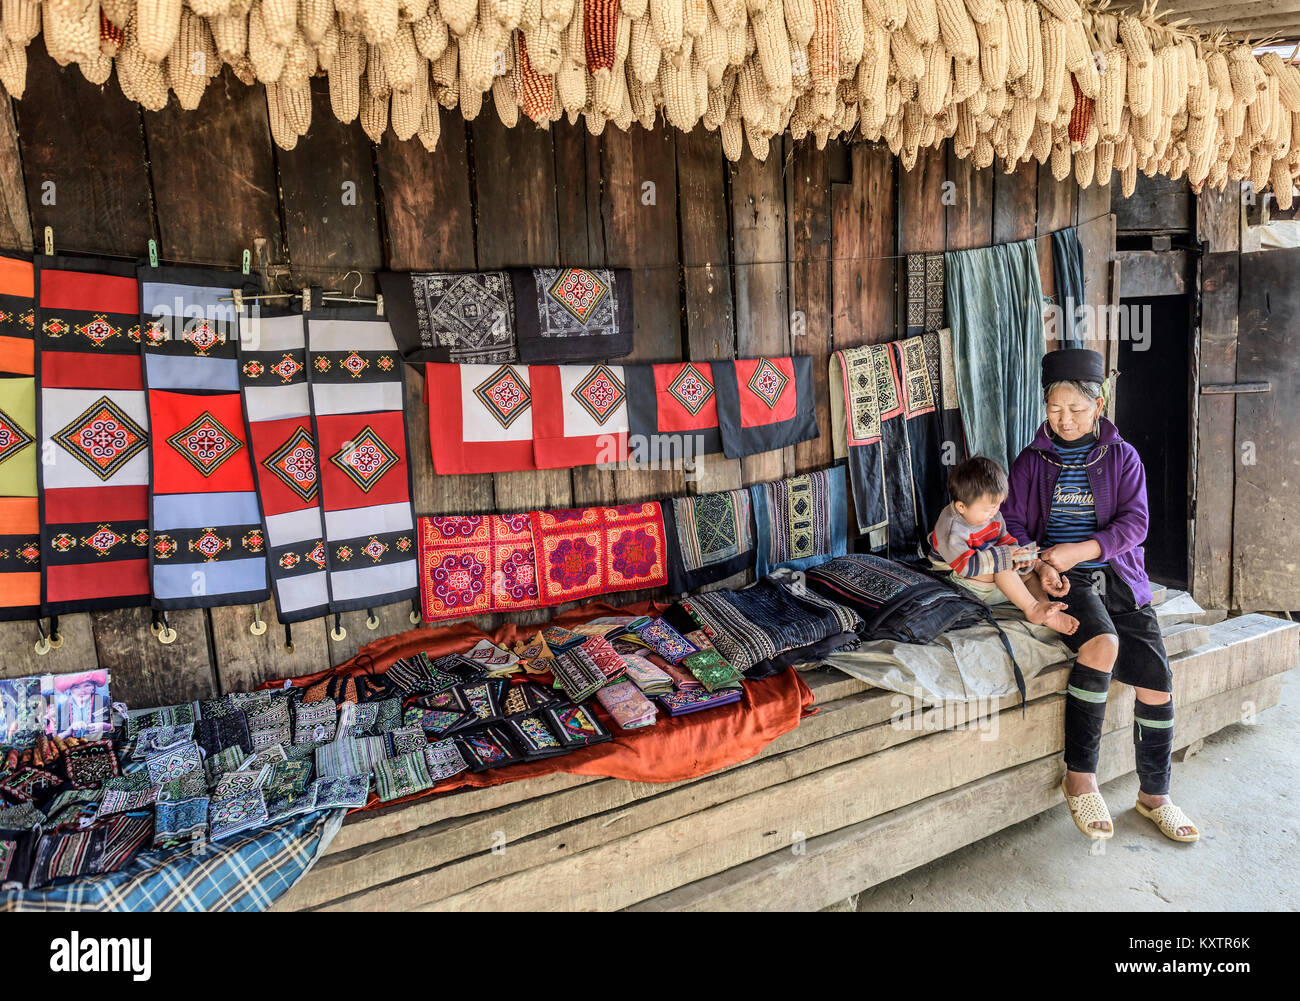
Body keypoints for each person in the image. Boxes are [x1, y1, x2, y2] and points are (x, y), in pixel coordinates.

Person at [1002, 348, 1198, 843]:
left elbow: (1135, 523)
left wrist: (1081, 548)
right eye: (1054, 409)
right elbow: (1015, 529)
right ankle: (1080, 778)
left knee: (1156, 679)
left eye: (1077, 409)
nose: (1065, 420)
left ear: (1099, 405)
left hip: (1121, 574)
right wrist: (1044, 565)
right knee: (1101, 645)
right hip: (1067, 580)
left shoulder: (1122, 456)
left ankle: (1155, 796)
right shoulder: (1030, 462)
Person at [928, 455, 1079, 635]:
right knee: (1004, 566)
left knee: (1029, 572)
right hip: (959, 579)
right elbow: (966, 566)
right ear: (961, 507)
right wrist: (1007, 556)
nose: (994, 513)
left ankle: (1044, 608)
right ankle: (1031, 608)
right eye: (988, 509)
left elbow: (1004, 539)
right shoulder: (951, 527)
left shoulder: (992, 514)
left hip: (987, 574)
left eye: (997, 506)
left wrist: (1024, 557)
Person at [53, 671, 110, 740]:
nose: (82, 691)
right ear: (70, 689)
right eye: (76, 687)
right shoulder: (61, 708)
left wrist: (105, 726)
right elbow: (55, 739)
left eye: (87, 686)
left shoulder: (104, 701)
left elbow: (115, 726)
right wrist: (69, 731)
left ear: (93, 687)